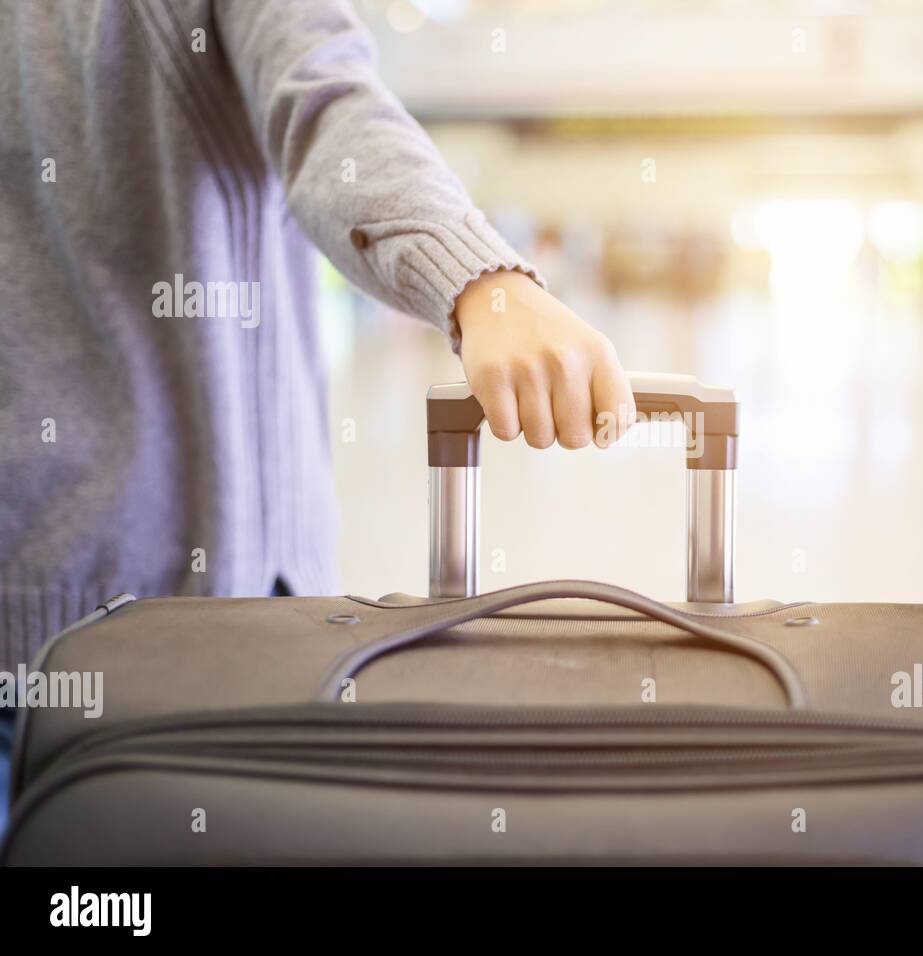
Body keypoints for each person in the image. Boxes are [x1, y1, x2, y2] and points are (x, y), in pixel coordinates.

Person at [0, 0, 634, 821]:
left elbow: (331, 114)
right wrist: (485, 283)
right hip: (192, 649)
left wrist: (480, 279)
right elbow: (327, 102)